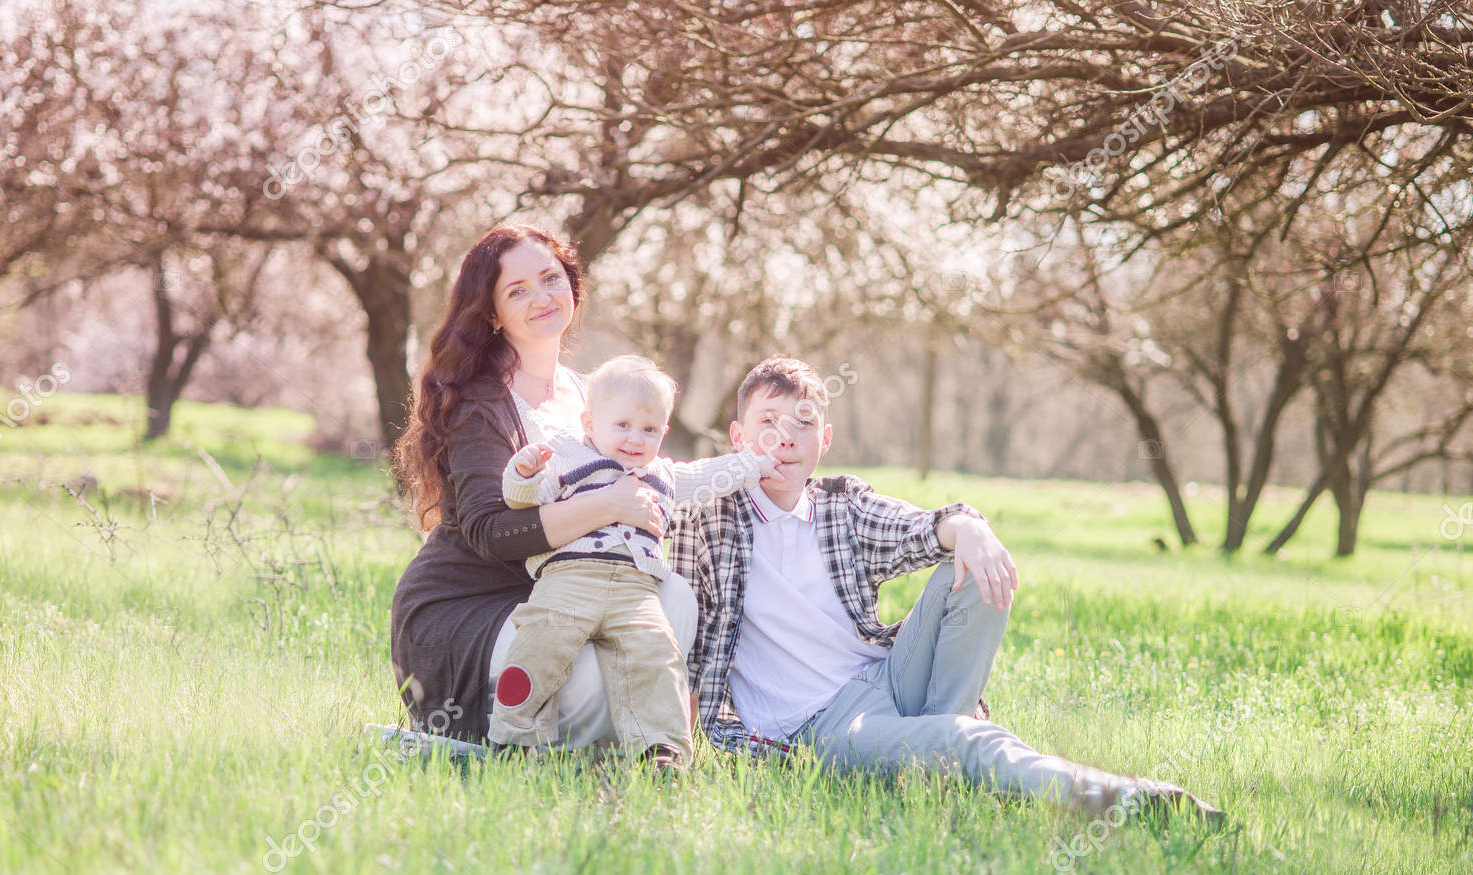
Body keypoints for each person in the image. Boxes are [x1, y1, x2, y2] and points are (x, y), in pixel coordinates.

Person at [667, 356, 1225, 821]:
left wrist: (970, 527)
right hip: (822, 727)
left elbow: (921, 526)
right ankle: (1128, 801)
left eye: (803, 424)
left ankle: (938, 760)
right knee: (963, 741)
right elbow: (654, 506)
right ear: (737, 438)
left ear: (825, 440)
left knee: (973, 567)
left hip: (887, 679)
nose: (785, 438)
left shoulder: (840, 506)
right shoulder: (708, 517)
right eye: (768, 422)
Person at [388, 225, 698, 746]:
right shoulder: (479, 404)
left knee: (675, 598)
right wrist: (610, 505)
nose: (541, 297)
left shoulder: (589, 393)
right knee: (581, 683)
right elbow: (492, 532)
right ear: (492, 313)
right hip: (471, 603)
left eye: (551, 278)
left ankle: (642, 749)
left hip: (569, 589)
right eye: (517, 291)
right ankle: (506, 743)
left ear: (572, 285)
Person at [489, 355, 775, 768]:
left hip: (635, 587)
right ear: (589, 424)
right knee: (541, 641)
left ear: (664, 432)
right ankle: (515, 737)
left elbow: (711, 473)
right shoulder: (568, 459)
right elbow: (524, 499)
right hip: (570, 579)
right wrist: (523, 472)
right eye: (622, 425)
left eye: (649, 429)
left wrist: (755, 463)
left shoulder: (664, 475)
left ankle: (660, 750)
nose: (635, 439)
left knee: (656, 655)